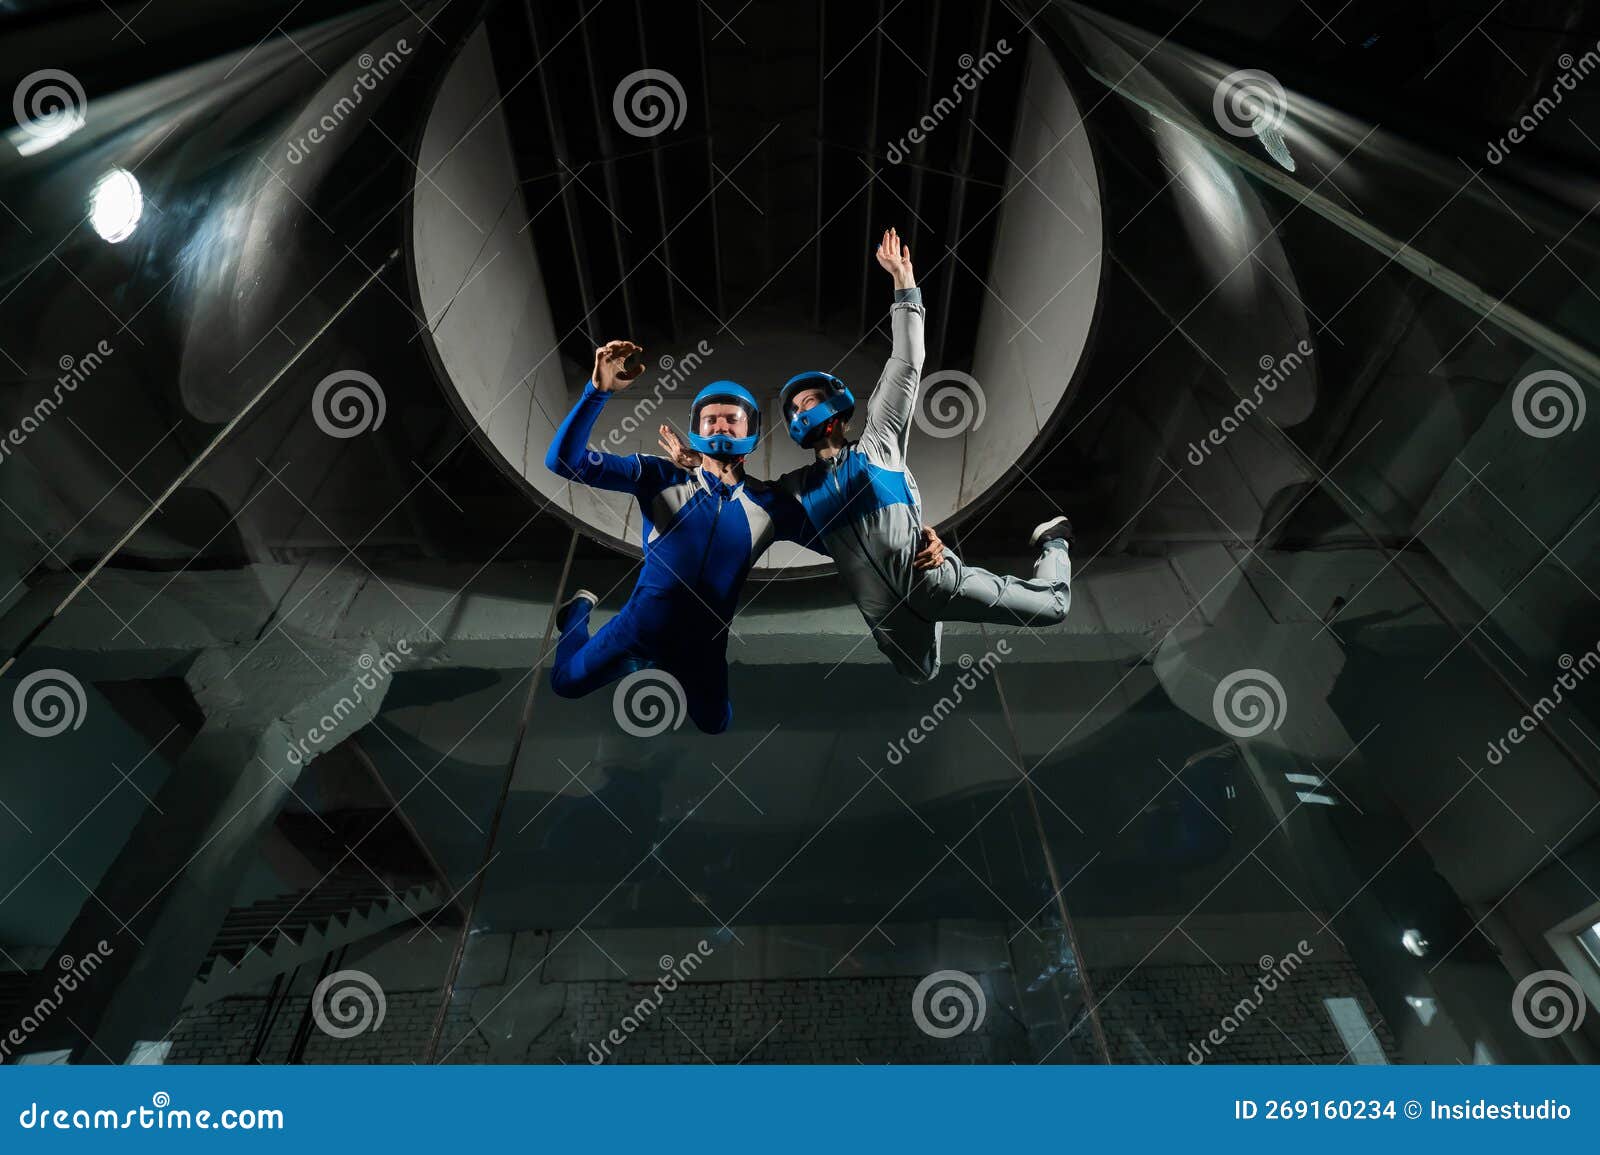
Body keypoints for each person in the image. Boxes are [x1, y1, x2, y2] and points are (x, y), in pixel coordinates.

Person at [772, 226, 1074, 683]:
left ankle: (1056, 540)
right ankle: (926, 614)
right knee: (921, 674)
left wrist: (903, 285)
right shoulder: (797, 488)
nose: (800, 410)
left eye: (808, 401)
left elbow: (907, 363)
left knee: (1053, 609)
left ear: (835, 407)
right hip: (881, 610)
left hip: (934, 580)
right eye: (794, 409)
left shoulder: (880, 441)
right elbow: (739, 496)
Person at [544, 342, 813, 734]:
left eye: (732, 419)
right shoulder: (657, 476)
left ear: (751, 430)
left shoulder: (771, 503)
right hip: (636, 631)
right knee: (564, 684)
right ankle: (577, 613)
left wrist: (924, 549)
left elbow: (842, 540)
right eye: (711, 420)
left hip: (702, 650)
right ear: (695, 430)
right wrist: (597, 391)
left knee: (715, 724)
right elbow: (564, 462)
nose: (721, 426)